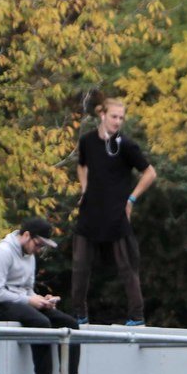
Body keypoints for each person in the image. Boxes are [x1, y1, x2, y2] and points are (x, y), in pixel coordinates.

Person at [69, 97, 156, 327]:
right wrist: (85, 188)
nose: (117, 121)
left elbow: (149, 173)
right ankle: (79, 314)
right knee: (80, 266)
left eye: (121, 118)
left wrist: (131, 199)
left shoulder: (125, 145)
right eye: (114, 116)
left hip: (116, 213)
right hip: (90, 212)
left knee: (127, 266)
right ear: (103, 115)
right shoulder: (87, 141)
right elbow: (81, 165)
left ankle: (136, 317)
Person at [0, 216, 87, 374]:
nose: (39, 250)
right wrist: (29, 300)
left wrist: (42, 300)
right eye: (38, 245)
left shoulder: (29, 257)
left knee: (70, 324)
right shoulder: (2, 253)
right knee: (41, 323)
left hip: (21, 301)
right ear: (26, 235)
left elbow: (27, 289)